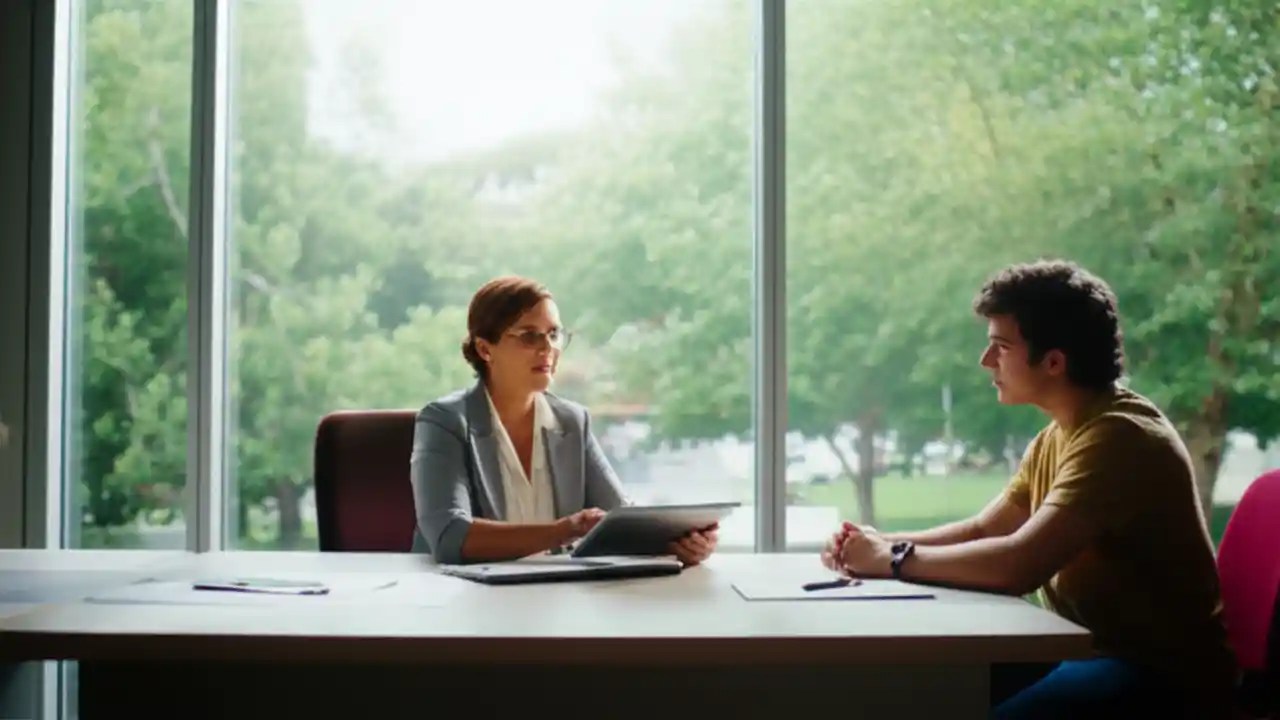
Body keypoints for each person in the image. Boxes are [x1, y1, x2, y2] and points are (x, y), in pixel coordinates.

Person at [822, 260, 1236, 718]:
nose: (986, 362)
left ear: (1054, 362)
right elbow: (986, 528)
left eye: (1000, 347)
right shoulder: (1062, 433)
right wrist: (878, 542)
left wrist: (891, 560)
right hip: (1090, 650)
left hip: (1161, 677)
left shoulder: (1120, 438)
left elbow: (1018, 565)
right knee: (915, 685)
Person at [411, 275, 718, 566]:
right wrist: (562, 530)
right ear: (484, 348)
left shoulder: (571, 421)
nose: (548, 349)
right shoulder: (445, 421)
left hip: (556, 596)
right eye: (529, 336)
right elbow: (450, 536)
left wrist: (678, 543)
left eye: (554, 334)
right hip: (463, 602)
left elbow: (619, 520)